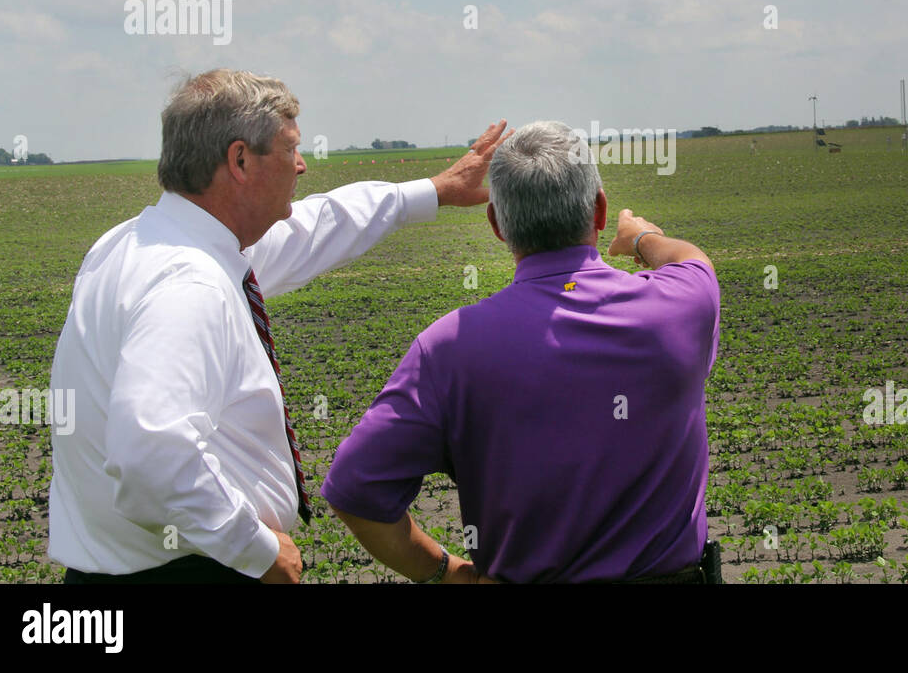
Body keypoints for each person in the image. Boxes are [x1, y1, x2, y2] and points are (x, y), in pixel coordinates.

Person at [48, 68, 507, 583]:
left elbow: (318, 226)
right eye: (290, 148)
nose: (302, 165)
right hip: (189, 571)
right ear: (240, 159)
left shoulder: (140, 243)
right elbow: (150, 453)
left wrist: (434, 190)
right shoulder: (189, 286)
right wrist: (255, 548)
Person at [322, 120, 721, 583]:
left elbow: (356, 488)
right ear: (599, 210)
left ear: (497, 224)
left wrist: (446, 574)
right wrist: (638, 237)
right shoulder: (681, 304)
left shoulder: (450, 346)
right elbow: (691, 259)